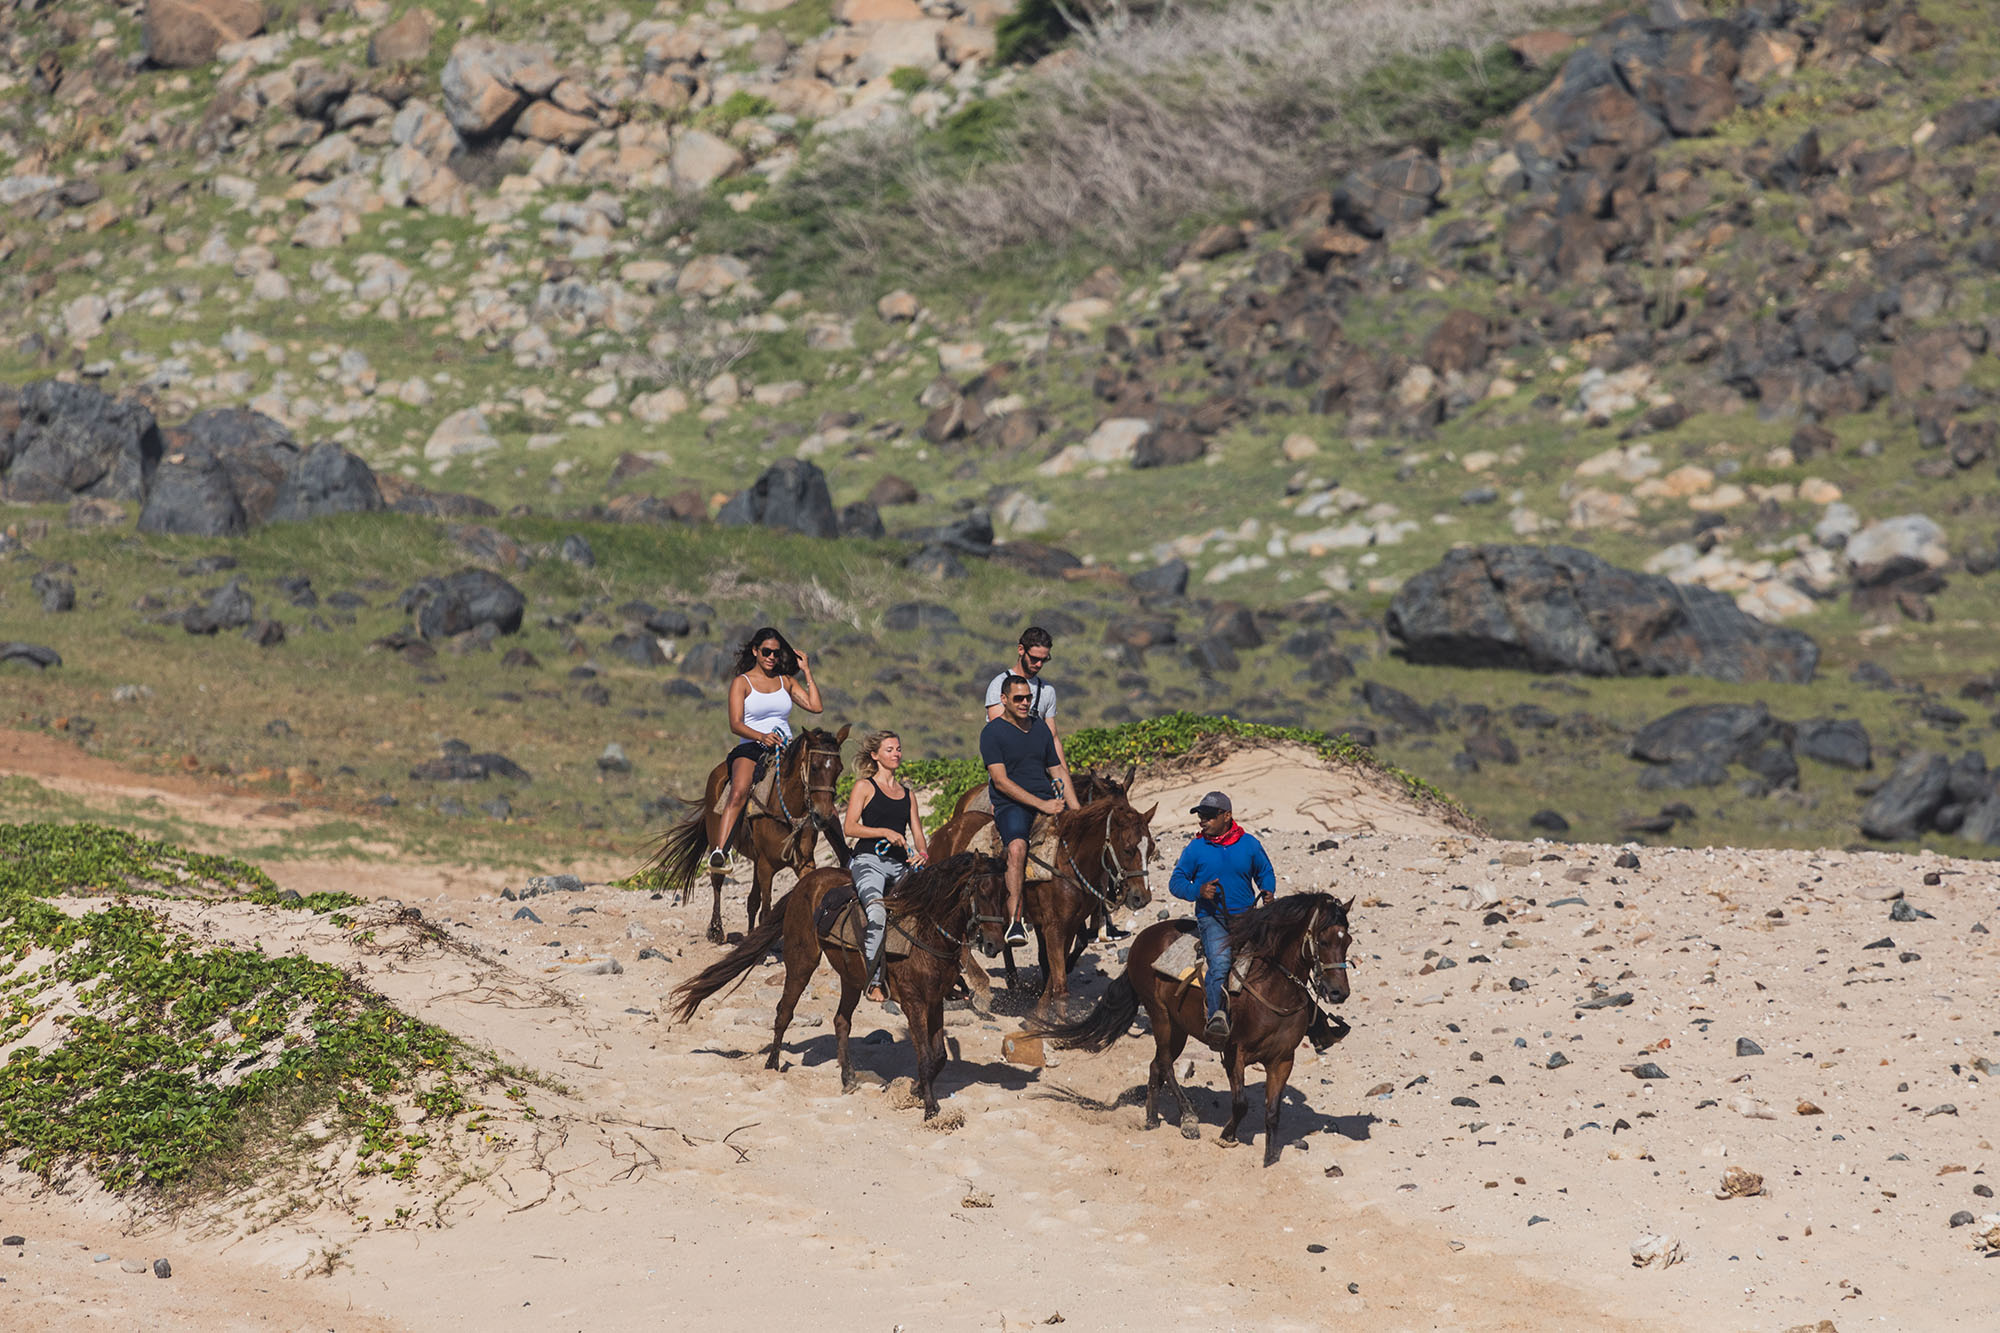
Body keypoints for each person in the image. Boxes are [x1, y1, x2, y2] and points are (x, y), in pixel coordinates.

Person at [709, 627, 822, 871]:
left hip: (787, 748)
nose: (771, 657)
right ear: (755, 651)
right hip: (752, 746)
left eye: (776, 653)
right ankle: (720, 851)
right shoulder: (742, 683)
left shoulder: (786, 681)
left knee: (819, 787)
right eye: (766, 652)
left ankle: (844, 852)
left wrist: (807, 672)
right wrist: (762, 736)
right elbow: (735, 724)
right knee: (739, 790)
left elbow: (815, 707)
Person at [1167, 791, 1275, 1042]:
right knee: (1221, 963)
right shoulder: (1196, 847)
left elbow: (1265, 871)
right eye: (1200, 816)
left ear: (1227, 816)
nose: (1202, 821)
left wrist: (1268, 890)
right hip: (1212, 918)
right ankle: (1217, 1017)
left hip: (1247, 918)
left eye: (1208, 816)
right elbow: (1176, 882)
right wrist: (1198, 890)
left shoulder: (1249, 844)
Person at [979, 673, 1078, 947]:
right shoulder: (992, 733)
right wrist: (1042, 804)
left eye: (1028, 698)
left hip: (1047, 797)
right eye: (1018, 698)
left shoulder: (1040, 728)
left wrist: (1076, 809)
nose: (1024, 703)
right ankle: (1015, 921)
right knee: (1017, 848)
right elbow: (1000, 780)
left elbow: (1056, 769)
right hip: (1012, 804)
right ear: (1004, 700)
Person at [842, 731, 928, 1002]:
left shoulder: (908, 794)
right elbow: (850, 827)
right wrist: (883, 832)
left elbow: (917, 831)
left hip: (901, 864)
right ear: (875, 756)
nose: (896, 754)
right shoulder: (864, 787)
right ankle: (874, 981)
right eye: (890, 749)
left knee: (930, 907)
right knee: (877, 913)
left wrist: (923, 853)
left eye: (899, 749)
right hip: (869, 862)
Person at [983, 627, 1071, 775]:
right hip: (1010, 771)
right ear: (1021, 650)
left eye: (1044, 660)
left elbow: (1053, 738)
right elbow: (1001, 731)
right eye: (1034, 658)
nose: (1039, 665)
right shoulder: (999, 685)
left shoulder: (1047, 690)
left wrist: (1065, 776)